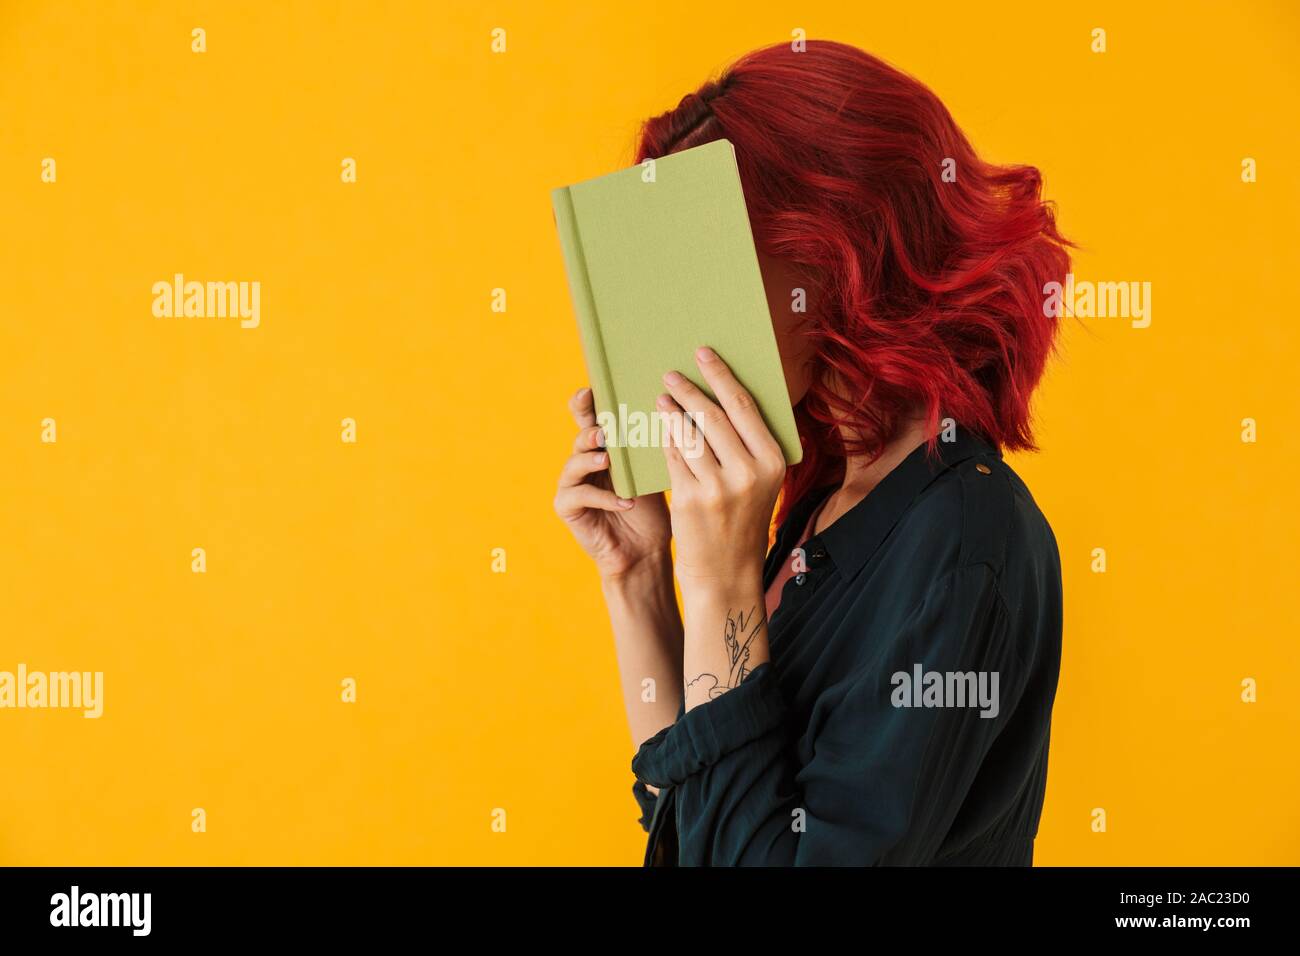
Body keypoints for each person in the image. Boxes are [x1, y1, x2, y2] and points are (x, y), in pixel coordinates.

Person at [554, 40, 1070, 866]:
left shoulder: (964, 538)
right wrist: (641, 578)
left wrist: (721, 581)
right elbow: (691, 828)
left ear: (837, 253)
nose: (675, 313)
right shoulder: (826, 500)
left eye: (702, 260)